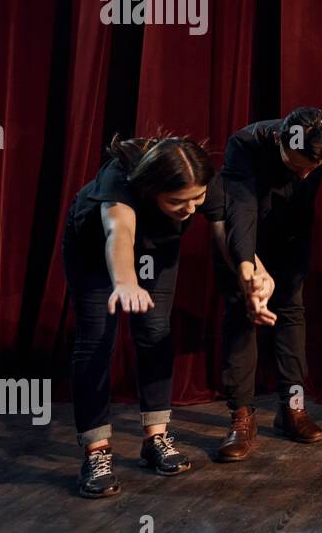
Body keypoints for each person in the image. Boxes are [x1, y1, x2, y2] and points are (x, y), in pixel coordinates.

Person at [62, 135, 223, 497]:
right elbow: (118, 232)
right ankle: (96, 450)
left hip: (156, 250)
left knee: (155, 331)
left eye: (197, 199)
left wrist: (252, 270)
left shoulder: (200, 182)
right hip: (92, 251)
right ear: (151, 191)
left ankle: (156, 437)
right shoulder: (120, 180)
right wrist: (124, 281)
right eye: (178, 202)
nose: (191, 209)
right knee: (97, 340)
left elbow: (226, 231)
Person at [212, 107, 322, 461]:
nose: (304, 175)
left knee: (292, 312)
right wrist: (249, 270)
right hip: (243, 237)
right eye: (296, 166)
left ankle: (293, 409)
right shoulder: (245, 143)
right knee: (243, 315)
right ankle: (241, 418)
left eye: (312, 170)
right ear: (279, 142)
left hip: (291, 235)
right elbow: (239, 213)